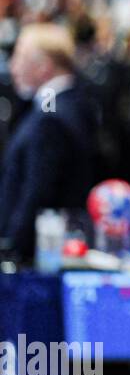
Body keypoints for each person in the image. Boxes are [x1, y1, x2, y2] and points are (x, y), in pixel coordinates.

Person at [0, 23, 96, 259]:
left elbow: (36, 195)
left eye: (19, 58)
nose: (12, 68)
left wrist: (10, 249)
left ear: (43, 66)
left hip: (35, 260)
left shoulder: (50, 119)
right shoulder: (72, 105)